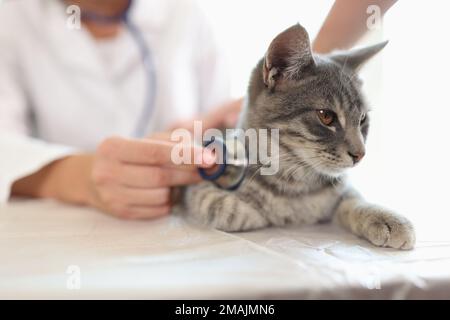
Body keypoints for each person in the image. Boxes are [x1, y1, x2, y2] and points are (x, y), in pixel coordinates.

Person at [0, 0, 240, 219]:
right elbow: (6, 149)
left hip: (174, 228)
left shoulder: (185, 13)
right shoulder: (13, 15)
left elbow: (219, 129)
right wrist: (83, 177)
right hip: (64, 229)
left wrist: (201, 133)